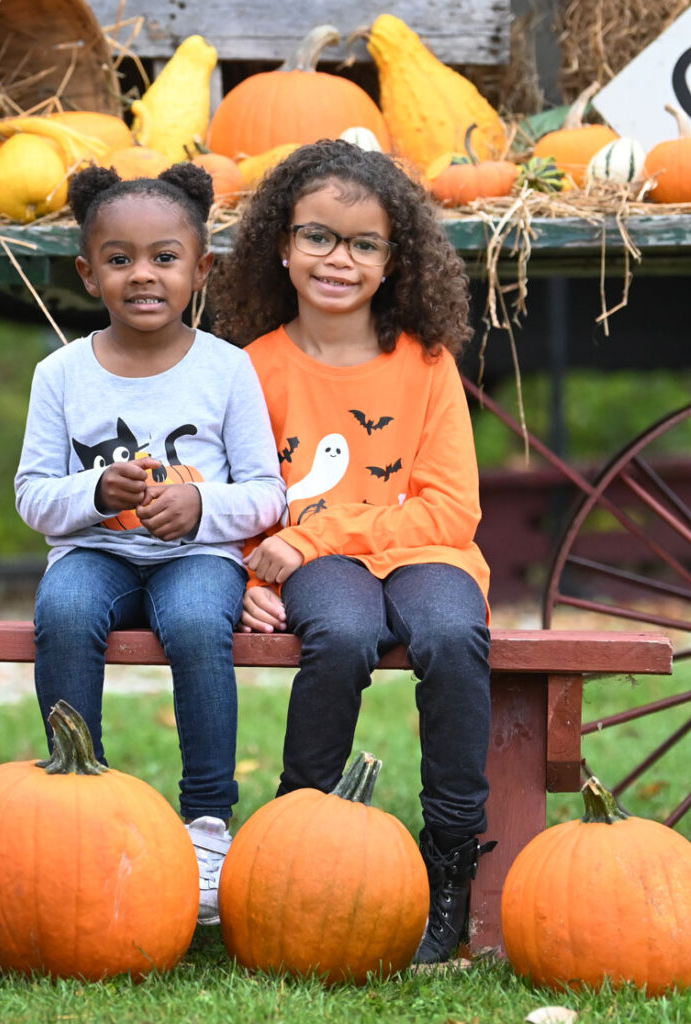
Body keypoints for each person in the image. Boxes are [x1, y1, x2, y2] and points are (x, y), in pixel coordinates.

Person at [208, 139, 494, 964]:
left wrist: (313, 534)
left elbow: (449, 509)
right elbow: (229, 498)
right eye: (319, 237)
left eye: (364, 243)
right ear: (282, 246)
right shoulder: (250, 369)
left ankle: (451, 857)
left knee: (450, 636)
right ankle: (299, 834)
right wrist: (240, 573)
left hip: (421, 551)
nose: (340, 259)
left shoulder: (426, 365)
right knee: (338, 635)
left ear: (394, 258)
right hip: (315, 569)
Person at [14, 162, 286, 926]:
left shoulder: (228, 370)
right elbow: (33, 495)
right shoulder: (60, 374)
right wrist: (95, 495)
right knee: (65, 613)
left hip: (194, 557)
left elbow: (269, 492)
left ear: (201, 269)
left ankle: (205, 827)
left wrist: (200, 505)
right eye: (119, 259)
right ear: (87, 272)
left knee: (201, 624)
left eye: (165, 258)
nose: (143, 275)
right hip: (94, 554)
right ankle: (80, 802)